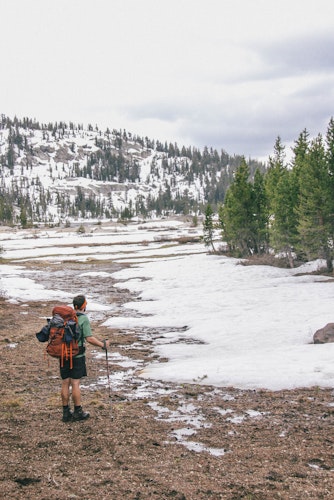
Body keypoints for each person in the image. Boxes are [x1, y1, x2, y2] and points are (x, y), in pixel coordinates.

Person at [61, 294, 110, 422]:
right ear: (82, 306)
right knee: (75, 382)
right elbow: (89, 338)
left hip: (63, 354)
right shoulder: (83, 319)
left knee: (65, 382)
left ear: (74, 306)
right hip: (77, 355)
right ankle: (78, 411)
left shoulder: (64, 317)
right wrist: (103, 345)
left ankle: (65, 413)